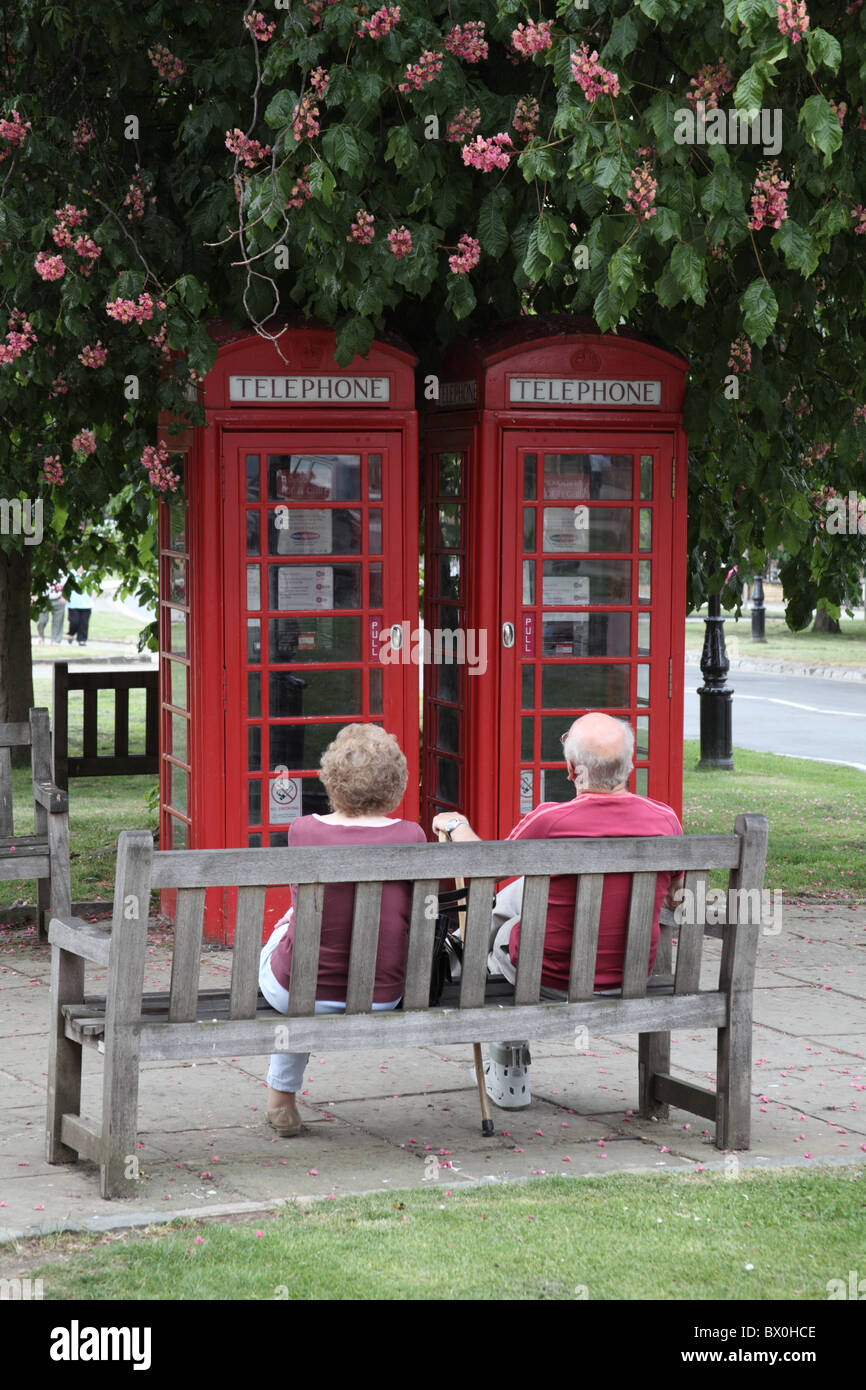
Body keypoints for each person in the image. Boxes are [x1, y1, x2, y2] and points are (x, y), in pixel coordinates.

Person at [432, 712, 683, 1109]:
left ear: (571, 770)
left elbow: (483, 866)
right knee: (518, 895)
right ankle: (468, 950)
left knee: (503, 924)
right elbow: (673, 894)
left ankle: (509, 1062)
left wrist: (454, 823)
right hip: (633, 975)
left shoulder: (550, 820)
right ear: (630, 764)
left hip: (549, 978)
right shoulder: (665, 820)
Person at [259, 723, 426, 1136]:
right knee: (302, 950)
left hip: (297, 990)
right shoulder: (411, 835)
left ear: (331, 780)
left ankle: (282, 1097)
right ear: (396, 784)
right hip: (381, 993)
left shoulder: (303, 830)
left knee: (288, 946)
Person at [66, 578, 92, 646]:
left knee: (84, 623)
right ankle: (71, 633)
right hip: (73, 603)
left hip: (87, 603)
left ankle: (82, 640)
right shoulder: (72, 573)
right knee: (74, 621)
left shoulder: (90, 574)